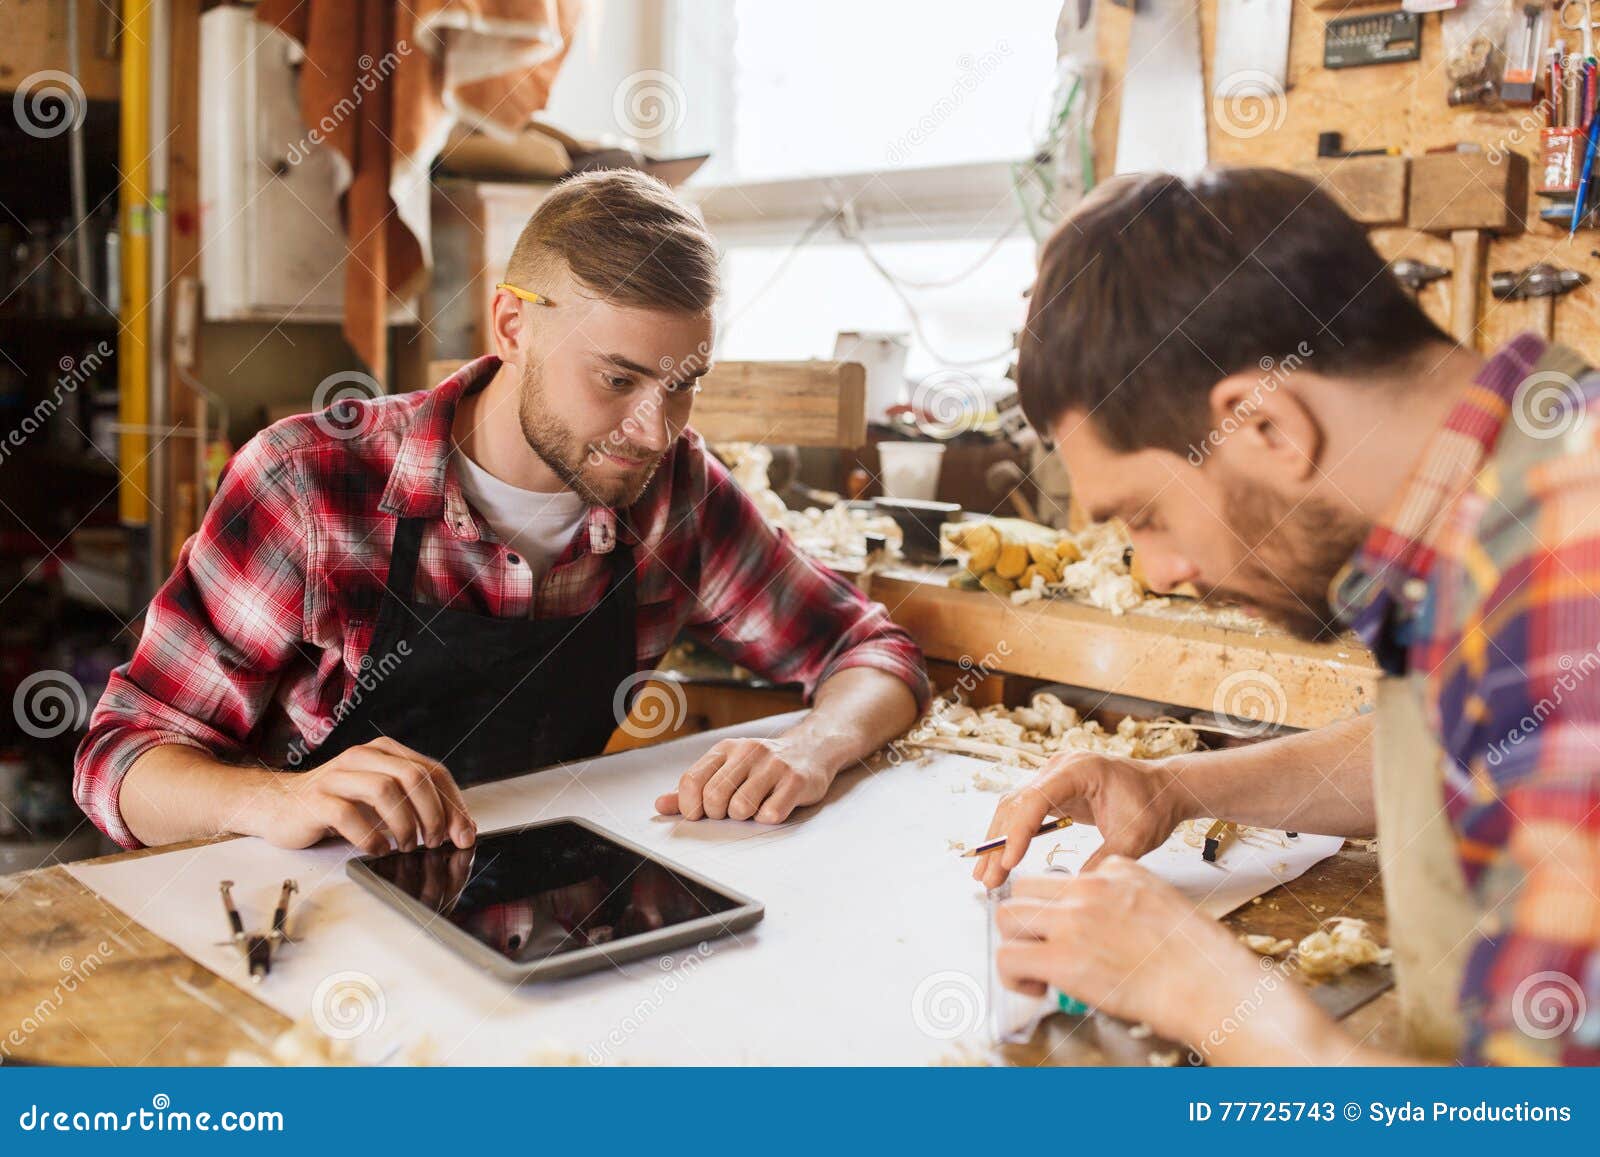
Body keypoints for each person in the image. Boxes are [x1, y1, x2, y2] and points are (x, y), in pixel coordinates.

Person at [75, 169, 928, 856]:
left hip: (522, 906)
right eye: (619, 379)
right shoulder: (306, 482)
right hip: (298, 921)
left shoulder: (680, 494)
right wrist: (278, 798)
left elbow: (873, 650)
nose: (653, 429)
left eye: (683, 386)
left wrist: (809, 748)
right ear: (513, 324)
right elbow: (118, 759)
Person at [980, 167, 1600, 1066]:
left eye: (1146, 515)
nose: (1158, 572)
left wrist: (1212, 994)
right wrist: (1177, 790)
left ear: (1264, 425)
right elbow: (1471, 750)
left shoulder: (1560, 568)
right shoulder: (1511, 473)